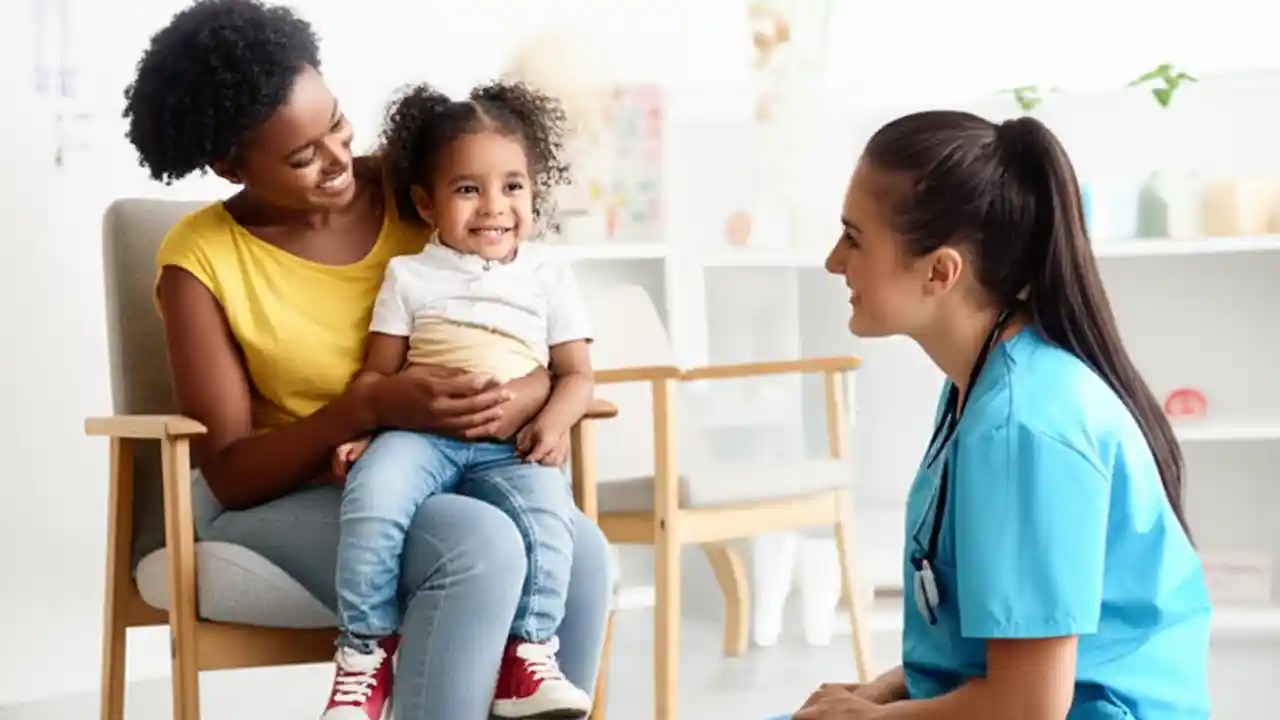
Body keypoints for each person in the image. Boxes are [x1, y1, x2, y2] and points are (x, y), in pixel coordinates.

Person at [121, 2, 611, 719]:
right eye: (302, 155)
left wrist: (534, 388)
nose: (338, 159)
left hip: (442, 466)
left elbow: (528, 311)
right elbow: (228, 469)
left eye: (338, 124)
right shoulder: (200, 262)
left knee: (587, 553)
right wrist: (372, 407)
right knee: (477, 548)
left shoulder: (420, 190)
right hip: (282, 496)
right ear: (230, 163)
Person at [782, 110, 1212, 719]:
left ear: (940, 271)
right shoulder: (981, 386)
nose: (833, 261)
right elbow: (995, 636)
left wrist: (871, 719)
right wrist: (884, 689)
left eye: (854, 237)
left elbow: (1027, 706)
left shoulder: (1024, 427)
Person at [327, 80, 594, 720]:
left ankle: (526, 658)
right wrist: (370, 431)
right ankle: (364, 654)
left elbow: (577, 373)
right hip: (418, 439)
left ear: (534, 191)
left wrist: (554, 423)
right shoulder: (409, 276)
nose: (494, 206)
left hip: (511, 447)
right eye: (468, 189)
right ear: (427, 202)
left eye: (513, 186)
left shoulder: (549, 275)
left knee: (551, 520)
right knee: (372, 499)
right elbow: (374, 379)